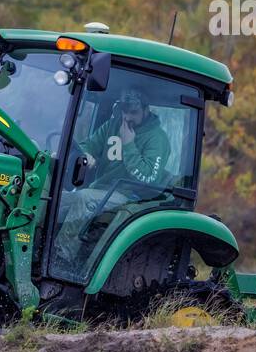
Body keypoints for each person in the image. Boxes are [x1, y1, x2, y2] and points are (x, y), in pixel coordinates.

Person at [52, 88, 172, 279]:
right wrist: (86, 154)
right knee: (56, 199)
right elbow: (88, 144)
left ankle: (60, 260)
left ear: (146, 109)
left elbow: (148, 177)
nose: (127, 117)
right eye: (125, 111)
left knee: (84, 198)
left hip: (129, 197)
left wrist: (129, 144)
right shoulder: (113, 124)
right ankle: (38, 249)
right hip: (100, 190)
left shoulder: (157, 138)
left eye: (133, 112)